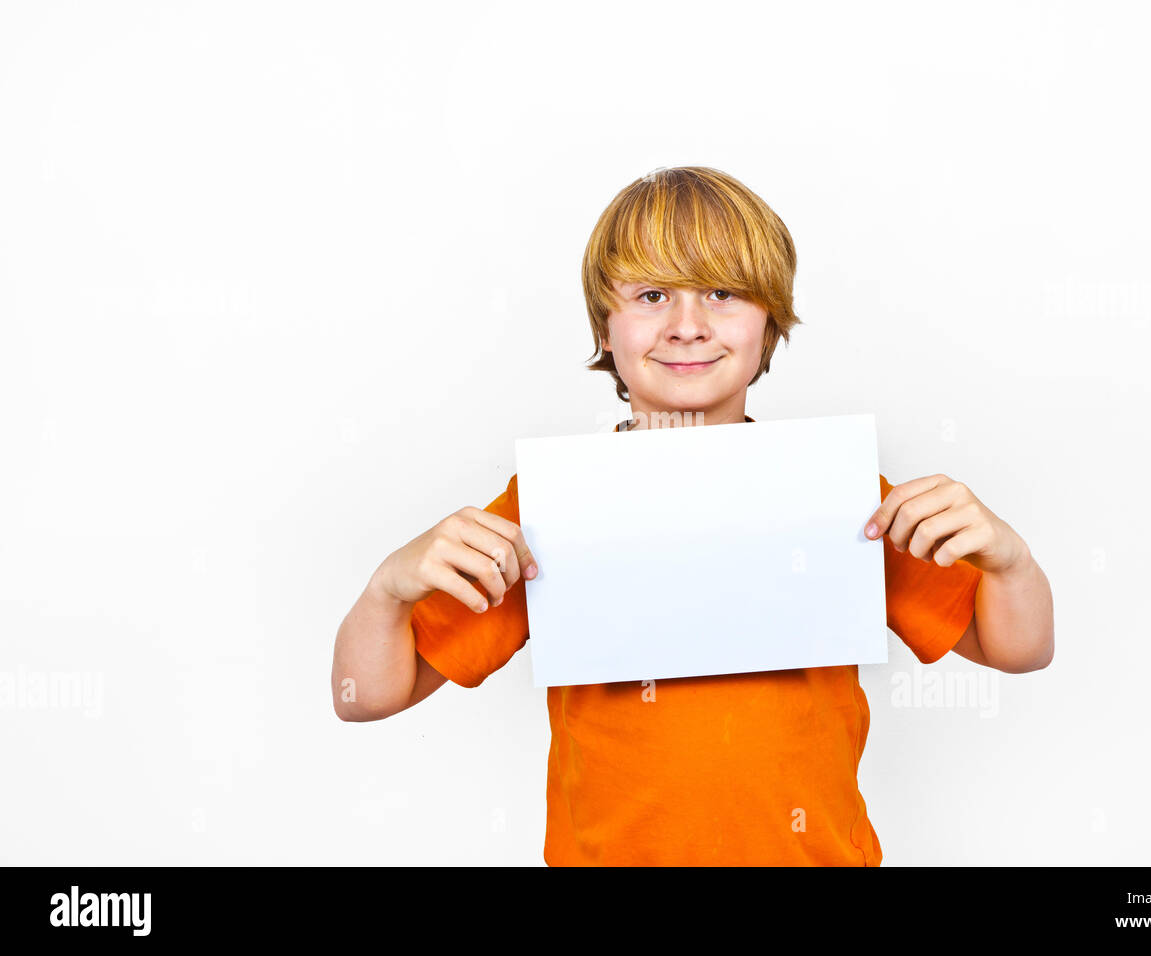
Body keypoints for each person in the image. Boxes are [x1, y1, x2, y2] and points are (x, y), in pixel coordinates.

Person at [331, 166, 1055, 865]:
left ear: (768, 325)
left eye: (721, 291)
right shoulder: (552, 504)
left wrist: (1009, 559)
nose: (685, 325)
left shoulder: (837, 490)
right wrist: (386, 590)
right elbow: (365, 698)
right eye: (650, 295)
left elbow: (1016, 650)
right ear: (604, 330)